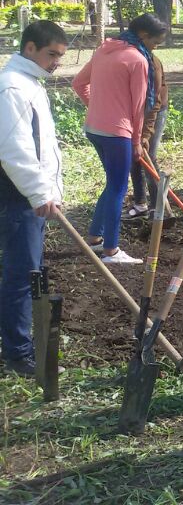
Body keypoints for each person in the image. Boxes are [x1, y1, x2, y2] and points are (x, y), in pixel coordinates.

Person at [72, 14, 168, 265]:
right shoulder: (138, 60)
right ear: (144, 37)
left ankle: (95, 238)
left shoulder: (104, 48)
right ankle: (111, 251)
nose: (155, 48)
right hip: (118, 134)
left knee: (112, 184)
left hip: (94, 128)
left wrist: (97, 108)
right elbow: (138, 108)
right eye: (156, 43)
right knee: (118, 188)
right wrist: (137, 141)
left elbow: (78, 83)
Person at [0, 21, 66, 376]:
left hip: (29, 196)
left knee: (31, 271)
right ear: (29, 49)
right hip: (17, 197)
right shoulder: (12, 87)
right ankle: (16, 353)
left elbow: (43, 146)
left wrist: (51, 190)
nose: (56, 62)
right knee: (22, 274)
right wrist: (40, 193)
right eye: (51, 54)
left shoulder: (30, 83)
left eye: (60, 56)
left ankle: (24, 343)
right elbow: (14, 150)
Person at [125, 48, 168, 218]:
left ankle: (160, 207)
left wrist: (145, 135)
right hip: (132, 111)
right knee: (134, 155)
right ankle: (140, 203)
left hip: (153, 111)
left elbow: (155, 103)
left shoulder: (152, 64)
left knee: (147, 153)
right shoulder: (125, 59)